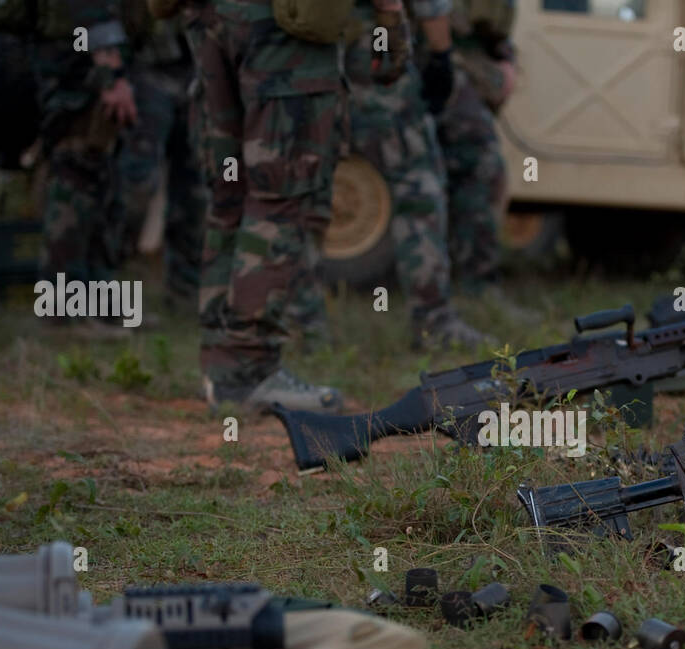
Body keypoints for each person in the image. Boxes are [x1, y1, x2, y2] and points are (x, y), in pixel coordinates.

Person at [182, 0, 410, 413]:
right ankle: (247, 372)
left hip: (208, 18)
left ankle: (222, 367)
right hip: (283, 34)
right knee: (278, 196)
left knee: (231, 193)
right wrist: (390, 23)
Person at [308, 0, 488, 350]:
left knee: (306, 193)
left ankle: (305, 328)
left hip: (310, 57)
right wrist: (441, 55)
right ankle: (434, 321)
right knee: (417, 188)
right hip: (377, 53)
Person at [31, 0, 140, 284]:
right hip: (77, 78)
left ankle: (98, 305)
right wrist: (112, 78)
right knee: (75, 181)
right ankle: (62, 309)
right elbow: (91, 13)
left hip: (80, 71)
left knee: (100, 186)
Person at [113, 13, 207, 310]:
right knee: (136, 183)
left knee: (195, 189)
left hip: (197, 70)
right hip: (146, 71)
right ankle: (110, 290)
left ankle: (186, 290)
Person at [431, 0, 517, 295]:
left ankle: (463, 281)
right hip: (443, 63)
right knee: (479, 168)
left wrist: (504, 60)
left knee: (475, 170)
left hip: (463, 64)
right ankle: (477, 285)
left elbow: (492, 24)